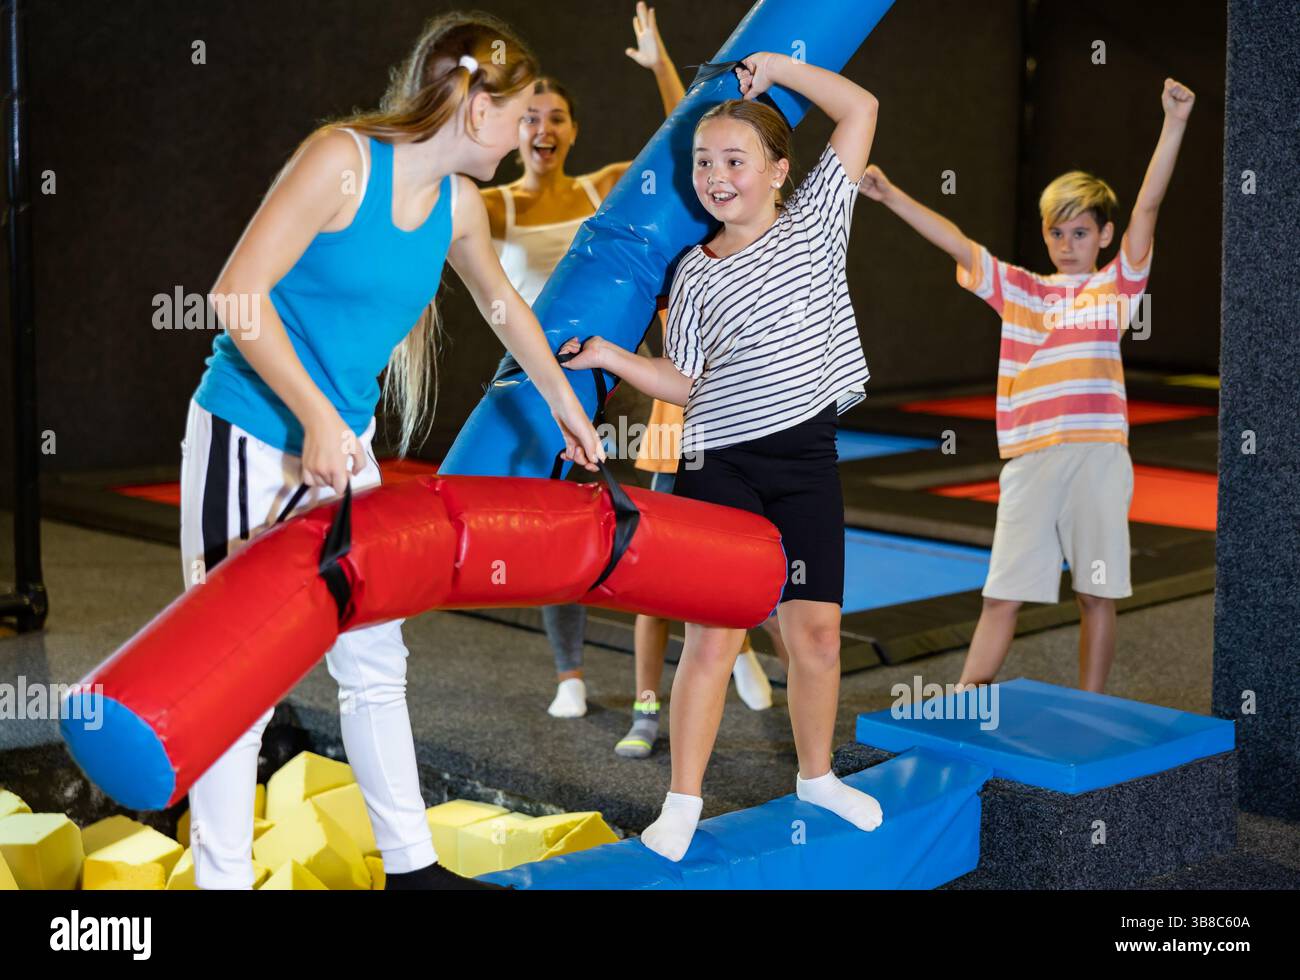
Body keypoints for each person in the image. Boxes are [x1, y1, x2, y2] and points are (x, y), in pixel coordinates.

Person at [180, 11, 603, 890]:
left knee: (375, 657)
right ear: (475, 105)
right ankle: (219, 880)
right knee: (235, 677)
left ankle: (411, 870)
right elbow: (236, 295)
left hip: (344, 445)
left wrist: (564, 401)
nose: (531, 132)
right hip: (249, 436)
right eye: (523, 112)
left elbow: (501, 306)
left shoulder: (457, 206)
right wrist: (312, 417)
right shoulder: (341, 160)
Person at [560, 52, 883, 860]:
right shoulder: (694, 274)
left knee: (814, 636)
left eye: (735, 160)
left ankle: (816, 776)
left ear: (779, 170)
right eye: (704, 162)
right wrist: (608, 355)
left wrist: (777, 67)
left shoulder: (815, 221)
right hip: (721, 463)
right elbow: (681, 379)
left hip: (805, 458)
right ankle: (681, 802)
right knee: (714, 636)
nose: (715, 175)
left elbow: (860, 108)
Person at [860, 78, 1194, 694]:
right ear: (1044, 235)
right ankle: (965, 700)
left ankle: (1095, 704)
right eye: (1057, 233)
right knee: (1002, 594)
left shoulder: (1114, 289)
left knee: (1096, 593)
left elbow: (1147, 208)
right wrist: (891, 197)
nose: (1068, 245)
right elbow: (955, 240)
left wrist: (1172, 123)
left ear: (1105, 236)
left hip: (1096, 456)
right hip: (1029, 460)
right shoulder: (1020, 289)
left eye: (1081, 233)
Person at [482, 2, 704, 720]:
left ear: (573, 130)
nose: (543, 130)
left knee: (660, 513)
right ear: (515, 129)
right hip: (541, 387)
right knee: (556, 519)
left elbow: (687, 145)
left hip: (618, 376)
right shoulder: (491, 208)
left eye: (556, 119)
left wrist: (660, 63)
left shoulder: (601, 185)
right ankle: (569, 674)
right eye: (531, 118)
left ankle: (708, 653)